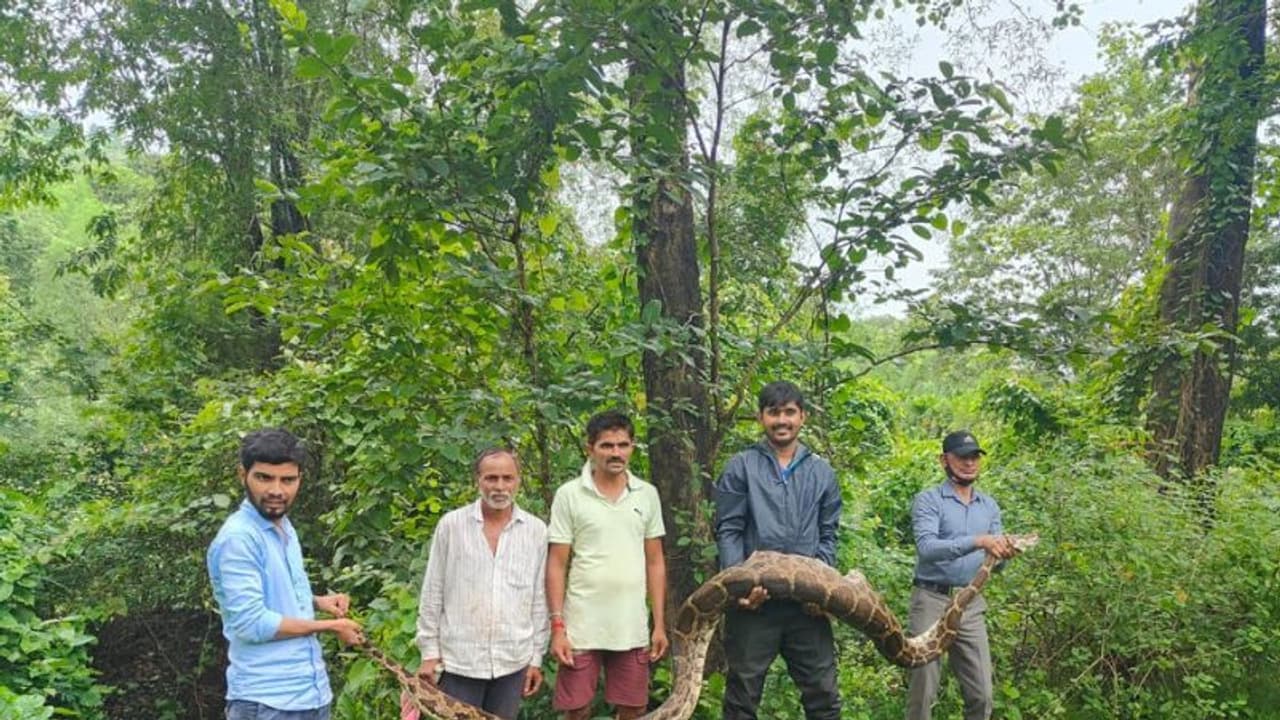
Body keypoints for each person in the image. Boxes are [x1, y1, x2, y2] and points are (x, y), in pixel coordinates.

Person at [207, 428, 363, 720]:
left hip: (310, 694)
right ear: (243, 475)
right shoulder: (238, 539)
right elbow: (252, 623)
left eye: (287, 479)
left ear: (299, 479)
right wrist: (331, 627)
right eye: (264, 477)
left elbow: (273, 593)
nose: (277, 490)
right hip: (266, 702)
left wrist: (318, 602)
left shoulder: (283, 526)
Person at [713, 380, 843, 720]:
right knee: (742, 696)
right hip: (755, 602)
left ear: (803, 416)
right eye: (773, 413)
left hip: (807, 605)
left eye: (789, 412)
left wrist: (822, 589)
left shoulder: (822, 472)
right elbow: (729, 530)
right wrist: (738, 586)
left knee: (824, 695)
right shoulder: (740, 466)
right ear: (761, 418)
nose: (781, 420)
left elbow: (828, 535)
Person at [409, 447, 549, 720]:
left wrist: (535, 659)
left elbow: (539, 600)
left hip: (512, 660)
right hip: (459, 660)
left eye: (507, 478)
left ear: (518, 480)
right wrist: (429, 652)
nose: (499, 486)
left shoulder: (536, 531)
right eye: (491, 478)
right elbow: (433, 592)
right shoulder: (452, 525)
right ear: (477, 480)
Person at [546, 410, 668, 720]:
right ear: (590, 448)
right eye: (607, 446)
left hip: (631, 624)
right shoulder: (569, 495)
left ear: (632, 447)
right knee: (576, 708)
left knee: (634, 706)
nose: (616, 453)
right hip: (581, 625)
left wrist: (660, 624)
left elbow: (655, 561)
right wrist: (558, 626)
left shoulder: (647, 494)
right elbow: (557, 564)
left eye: (623, 445)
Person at [905, 430, 1019, 720]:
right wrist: (978, 541)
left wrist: (1004, 555)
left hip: (970, 604)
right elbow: (928, 548)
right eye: (962, 457)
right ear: (944, 460)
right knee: (923, 691)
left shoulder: (989, 506)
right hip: (931, 600)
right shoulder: (929, 500)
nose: (969, 463)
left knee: (981, 694)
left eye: (974, 457)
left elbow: (995, 563)